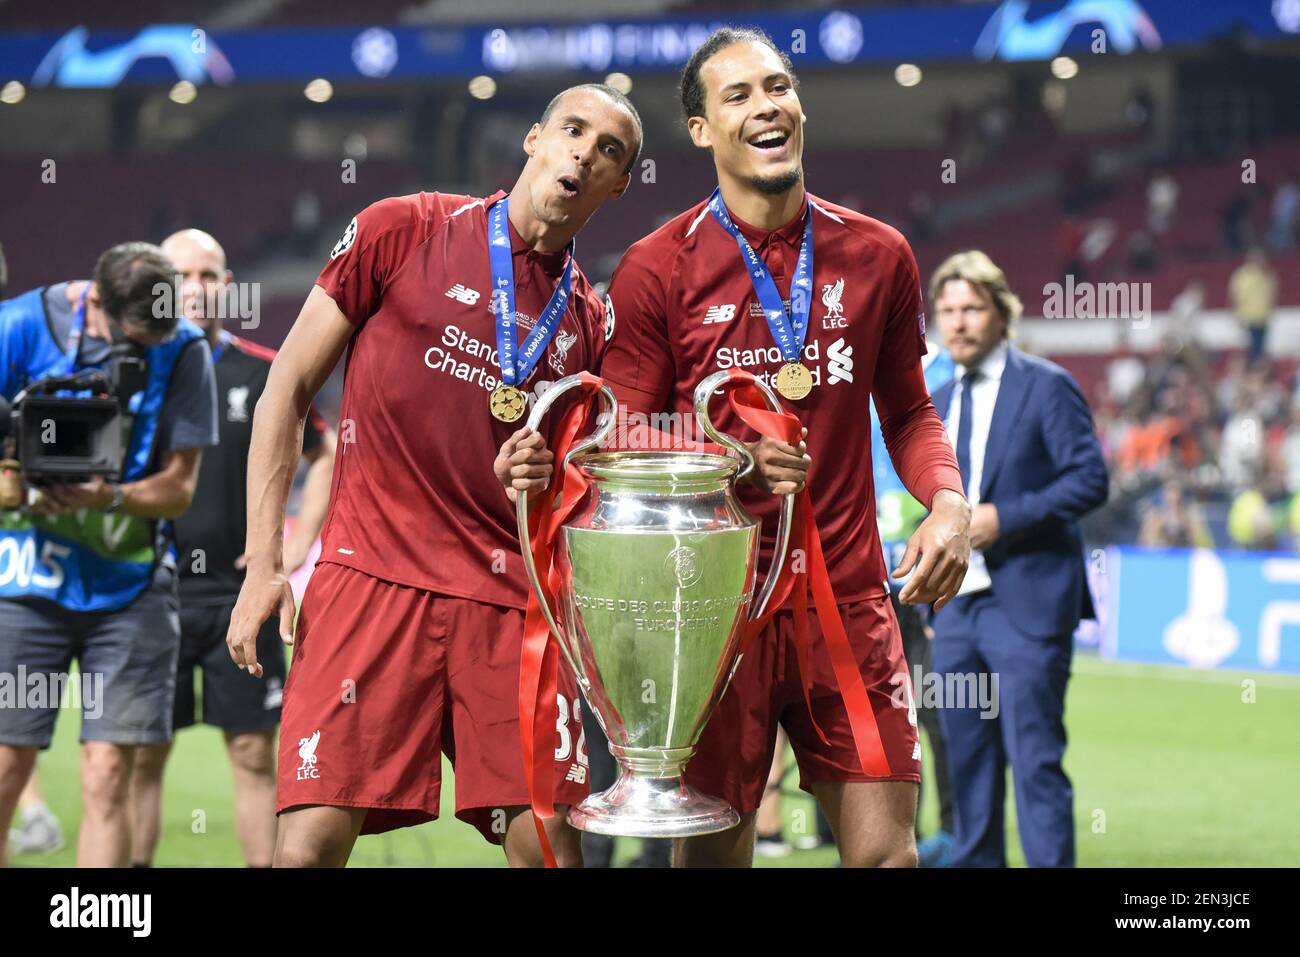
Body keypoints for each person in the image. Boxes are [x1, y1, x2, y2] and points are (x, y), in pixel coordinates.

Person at [506, 28, 972, 868]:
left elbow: (908, 412)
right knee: (713, 861)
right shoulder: (659, 267)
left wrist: (947, 500)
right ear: (700, 129)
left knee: (888, 857)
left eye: (779, 87)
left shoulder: (878, 255)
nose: (768, 107)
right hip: (714, 616)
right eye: (740, 95)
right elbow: (617, 441)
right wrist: (729, 455)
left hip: (851, 605)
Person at [225, 84, 642, 868]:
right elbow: (286, 386)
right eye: (573, 130)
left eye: (610, 150)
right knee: (307, 847)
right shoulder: (403, 228)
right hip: (372, 579)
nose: (586, 151)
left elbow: (580, 489)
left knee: (553, 848)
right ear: (533, 140)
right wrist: (264, 566)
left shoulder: (591, 319)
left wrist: (544, 475)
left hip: (510, 601)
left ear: (618, 185)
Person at [0, 242, 218, 867]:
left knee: (107, 772)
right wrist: (17, 477)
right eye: (138, 338)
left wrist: (109, 495)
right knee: (7, 766)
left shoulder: (184, 349)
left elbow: (179, 489)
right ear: (94, 301)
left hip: (131, 589)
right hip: (25, 582)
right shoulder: (18, 327)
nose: (153, 348)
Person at [128, 229, 336, 868]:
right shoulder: (131, 371)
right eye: (182, 276)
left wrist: (296, 544)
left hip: (236, 593)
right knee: (141, 753)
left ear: (228, 284)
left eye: (211, 274)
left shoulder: (263, 369)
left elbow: (327, 449)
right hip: (147, 595)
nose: (196, 288)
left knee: (251, 751)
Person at [928, 250, 1108, 868]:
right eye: (947, 311)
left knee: (1034, 761)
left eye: (972, 308)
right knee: (967, 763)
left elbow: (1090, 479)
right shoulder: (938, 400)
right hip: (955, 610)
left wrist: (1004, 517)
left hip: (1027, 602)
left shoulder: (1047, 385)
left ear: (1002, 313)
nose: (958, 322)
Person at [872, 339, 958, 866]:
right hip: (867, 578)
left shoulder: (948, 378)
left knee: (936, 709)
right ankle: (884, 835)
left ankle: (952, 830)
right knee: (877, 714)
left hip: (923, 580)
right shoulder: (846, 359)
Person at [1228, 247, 1278, 362]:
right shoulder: (1242, 275)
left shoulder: (1269, 275)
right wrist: (1236, 314)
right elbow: (1235, 295)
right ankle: (1252, 370)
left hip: (1264, 317)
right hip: (1248, 317)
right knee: (1253, 348)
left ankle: (1257, 370)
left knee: (1261, 348)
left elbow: (1272, 295)